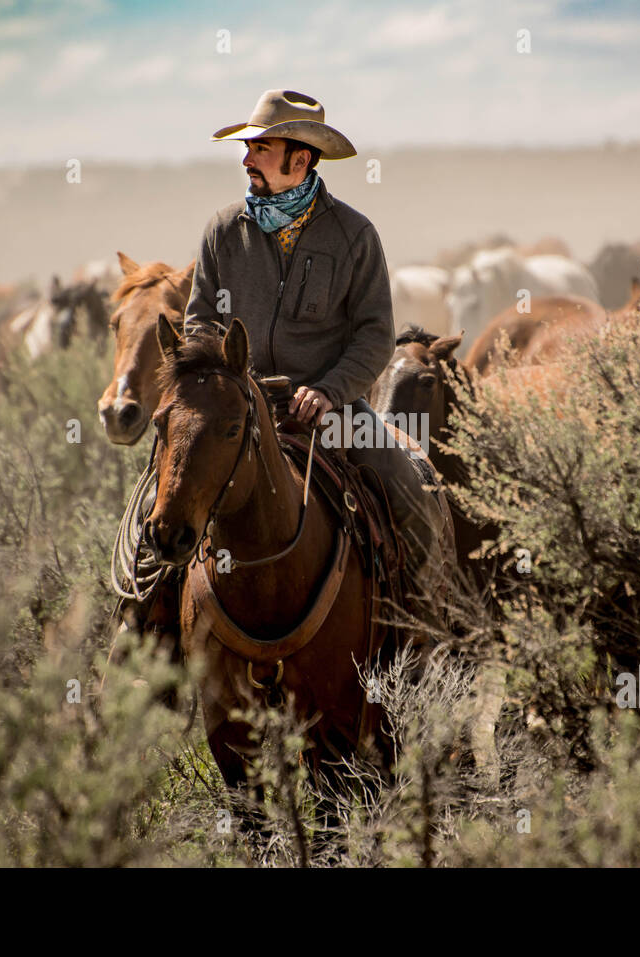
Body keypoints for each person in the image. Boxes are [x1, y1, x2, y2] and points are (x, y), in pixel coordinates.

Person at [178, 88, 451, 636]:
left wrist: (329, 391)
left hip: (335, 411)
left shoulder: (354, 235)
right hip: (237, 410)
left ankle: (418, 638)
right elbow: (199, 322)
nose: (247, 158)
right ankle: (144, 632)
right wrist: (226, 386)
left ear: (299, 160)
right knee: (164, 500)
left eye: (260, 147)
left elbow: (376, 336)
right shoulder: (222, 231)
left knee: (409, 495)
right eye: (248, 147)